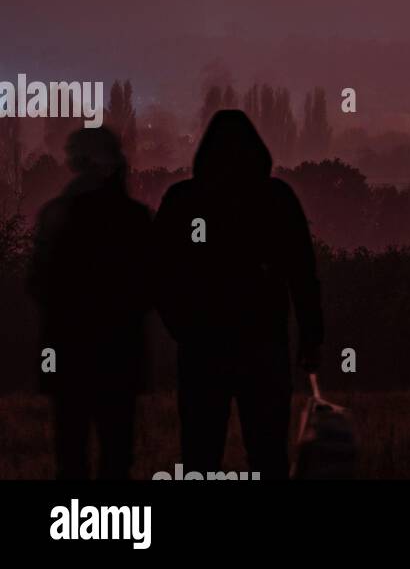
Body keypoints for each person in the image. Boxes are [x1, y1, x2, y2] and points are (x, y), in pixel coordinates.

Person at [153, 109, 323, 479]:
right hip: (264, 346)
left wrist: (181, 327)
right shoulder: (277, 198)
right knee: (267, 456)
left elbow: (159, 273)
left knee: (200, 456)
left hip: (202, 348)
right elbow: (303, 275)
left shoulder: (183, 199)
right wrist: (311, 340)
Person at [27, 127, 152, 479]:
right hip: (120, 353)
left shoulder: (56, 215)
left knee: (71, 452)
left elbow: (37, 284)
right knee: (116, 454)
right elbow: (149, 285)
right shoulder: (134, 218)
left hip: (68, 353)